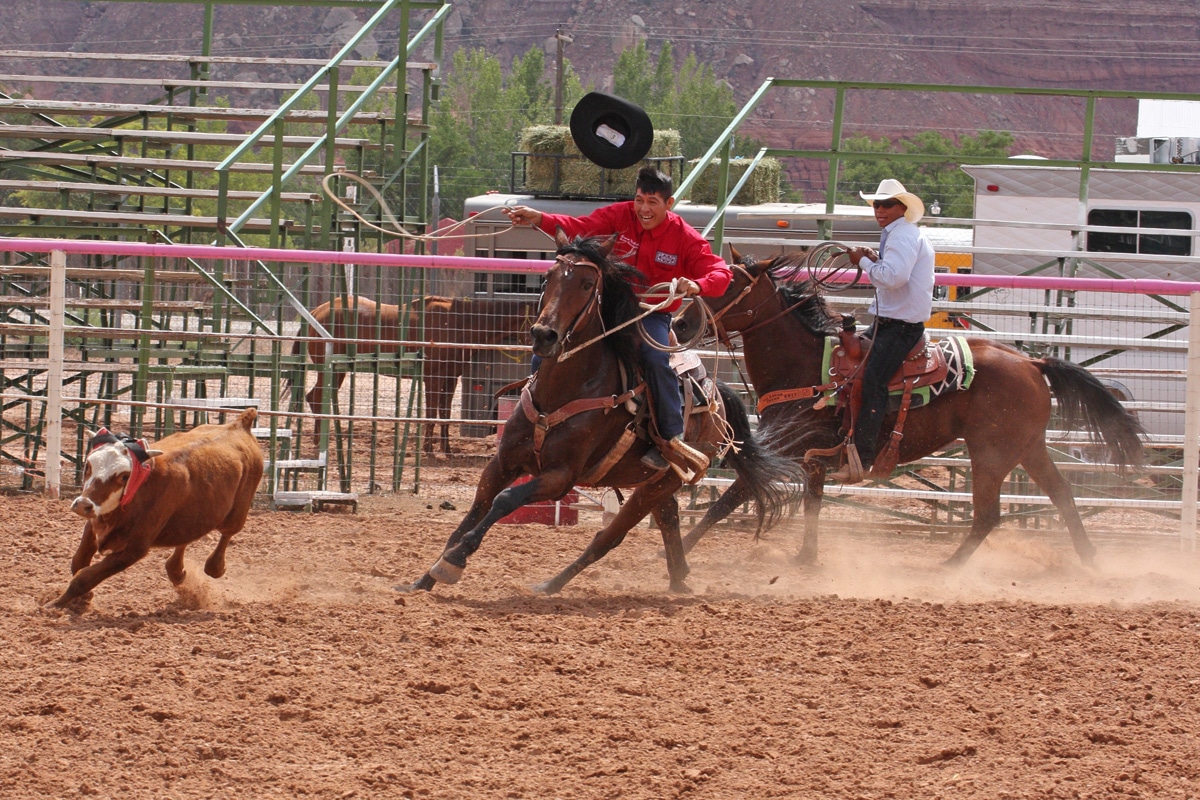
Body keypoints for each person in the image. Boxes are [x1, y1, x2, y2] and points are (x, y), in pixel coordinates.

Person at [503, 166, 732, 480]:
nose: (643, 209)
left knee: (655, 358)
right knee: (550, 346)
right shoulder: (618, 216)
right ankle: (532, 418)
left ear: (670, 204)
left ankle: (669, 438)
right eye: (639, 200)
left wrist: (697, 286)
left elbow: (720, 272)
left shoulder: (684, 237)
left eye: (652, 202)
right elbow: (579, 227)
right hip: (607, 307)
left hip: (649, 313)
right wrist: (538, 218)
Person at [828, 178, 936, 483]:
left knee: (874, 379)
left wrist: (862, 260)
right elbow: (894, 273)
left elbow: (894, 278)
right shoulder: (901, 234)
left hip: (899, 326)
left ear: (902, 207)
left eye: (887, 204)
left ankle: (861, 458)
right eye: (877, 204)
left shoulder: (901, 236)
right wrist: (874, 259)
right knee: (860, 371)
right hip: (893, 321)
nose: (880, 209)